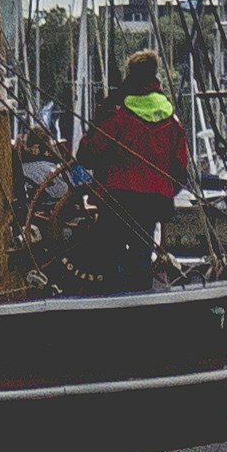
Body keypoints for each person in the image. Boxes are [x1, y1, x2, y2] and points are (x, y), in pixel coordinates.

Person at [86, 50, 189, 291]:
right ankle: (141, 301)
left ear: (130, 75)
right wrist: (164, 189)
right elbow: (179, 167)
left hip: (119, 194)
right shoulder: (170, 117)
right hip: (154, 199)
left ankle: (117, 304)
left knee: (111, 253)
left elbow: (91, 153)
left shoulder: (118, 113)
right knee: (142, 254)